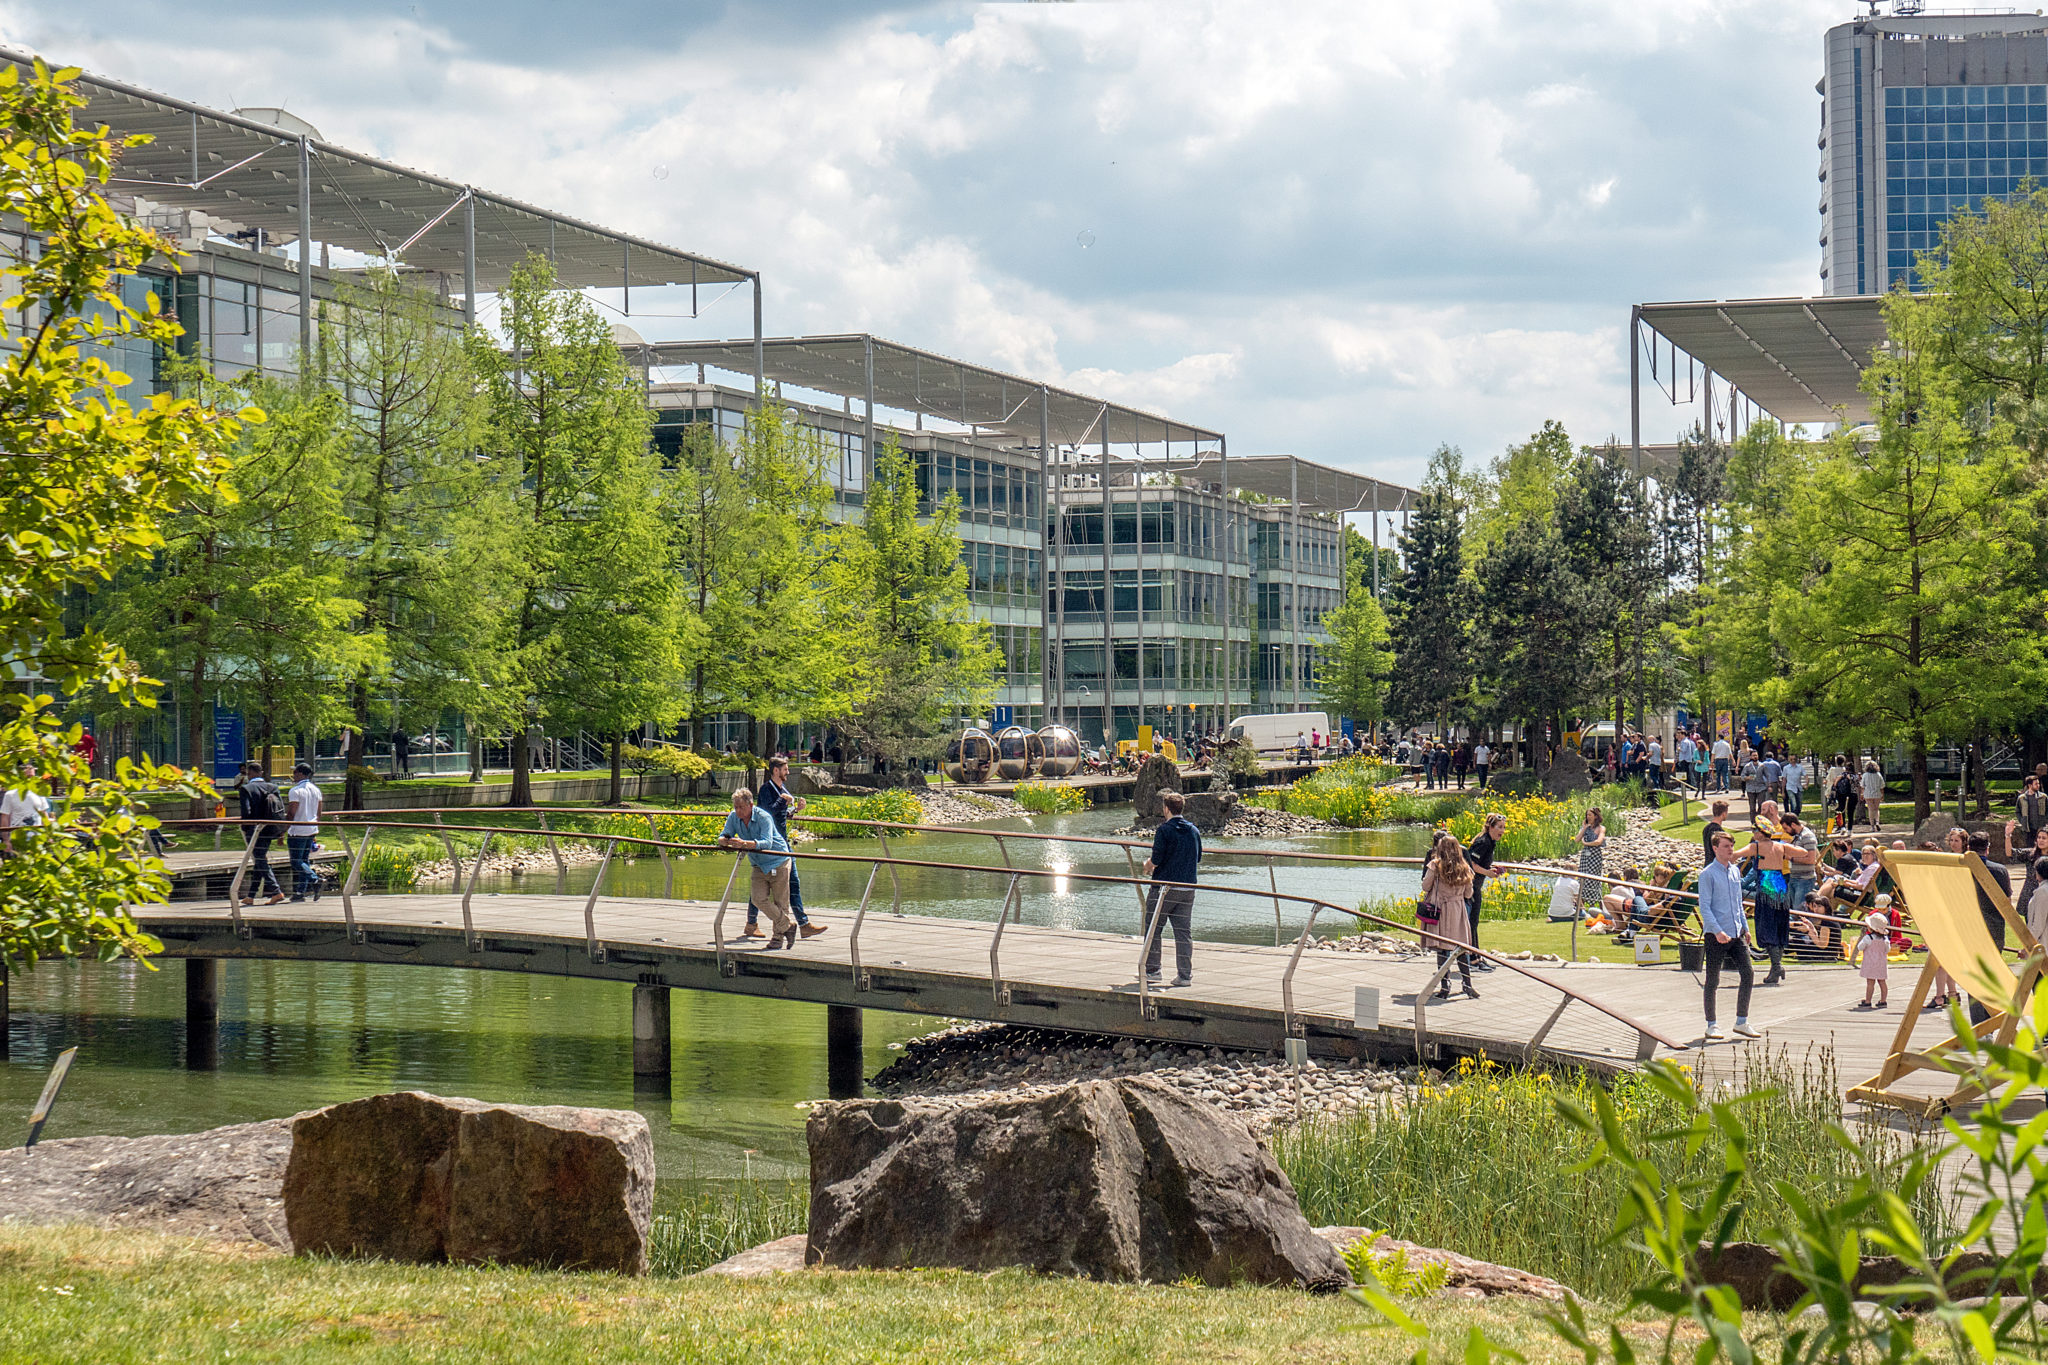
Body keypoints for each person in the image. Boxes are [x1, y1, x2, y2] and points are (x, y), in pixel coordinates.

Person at [747, 757, 826, 941]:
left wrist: (795, 809)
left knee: (788, 884)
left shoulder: (782, 790)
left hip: (783, 843)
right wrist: (783, 802)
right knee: (763, 887)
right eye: (785, 769)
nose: (788, 772)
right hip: (771, 845)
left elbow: (782, 816)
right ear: (775, 770)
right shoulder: (767, 790)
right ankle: (800, 924)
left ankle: (801, 924)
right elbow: (766, 815)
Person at [1698, 831, 1761, 1041]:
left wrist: (1745, 927)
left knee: (1748, 973)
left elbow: (1738, 904)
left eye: (1731, 846)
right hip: (1716, 934)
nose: (1730, 849)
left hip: (1736, 932)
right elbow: (1705, 907)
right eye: (1726, 846)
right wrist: (1717, 930)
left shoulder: (1735, 871)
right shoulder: (1707, 874)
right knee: (1712, 979)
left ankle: (1742, 1021)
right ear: (1715, 848)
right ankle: (1711, 1024)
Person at [720, 788, 796, 948]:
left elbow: (766, 842)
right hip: (758, 863)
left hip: (778, 860)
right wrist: (724, 840)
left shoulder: (763, 817)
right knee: (757, 898)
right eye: (736, 807)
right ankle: (788, 925)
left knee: (781, 901)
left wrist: (745, 844)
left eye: (741, 807)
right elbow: (725, 833)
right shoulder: (734, 817)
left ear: (751, 805)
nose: (738, 811)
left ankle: (777, 939)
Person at [1141, 790, 1203, 987]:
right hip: (1187, 887)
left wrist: (1147, 865)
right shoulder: (1194, 830)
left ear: (1166, 809)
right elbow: (1198, 857)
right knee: (1183, 933)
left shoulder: (1164, 830)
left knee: (1153, 928)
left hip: (1164, 889)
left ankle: (1153, 971)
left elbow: (1156, 860)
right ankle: (1185, 975)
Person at [1418, 831, 1478, 1000]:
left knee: (1442, 950)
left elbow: (1425, 886)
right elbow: (1468, 894)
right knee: (1460, 949)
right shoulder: (1465, 868)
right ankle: (1467, 985)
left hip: (1441, 910)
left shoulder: (1435, 865)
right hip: (1458, 910)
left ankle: (1445, 987)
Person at [1735, 822, 1793, 985]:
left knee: (1767, 928)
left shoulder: (1760, 850)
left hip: (1767, 892)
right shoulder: (1780, 846)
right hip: (1781, 889)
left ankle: (1776, 966)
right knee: (1779, 927)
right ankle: (1776, 968)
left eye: (1754, 831)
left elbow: (1751, 875)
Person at [235, 759, 287, 905]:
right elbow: (280, 809)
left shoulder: (246, 789)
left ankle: (276, 891)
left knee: (259, 859)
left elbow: (246, 812)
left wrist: (245, 828)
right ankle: (251, 896)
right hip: (271, 828)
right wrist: (281, 831)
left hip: (255, 830)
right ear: (261, 773)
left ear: (249, 773)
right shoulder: (273, 787)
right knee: (260, 858)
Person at [1463, 812, 1506, 971]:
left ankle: (1476, 957)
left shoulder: (1490, 841)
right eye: (1499, 827)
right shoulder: (1483, 842)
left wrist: (1491, 869)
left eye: (1504, 828)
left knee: (1474, 922)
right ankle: (1472, 960)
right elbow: (1471, 864)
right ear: (1490, 827)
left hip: (1476, 886)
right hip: (1470, 887)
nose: (1502, 831)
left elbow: (1479, 864)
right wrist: (1488, 873)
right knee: (1472, 922)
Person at [285, 761, 324, 903]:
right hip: (311, 829)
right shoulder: (316, 790)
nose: (293, 775)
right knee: (304, 861)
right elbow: (319, 813)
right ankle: (300, 892)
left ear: (300, 773)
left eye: (295, 772)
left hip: (297, 830)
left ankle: (315, 879)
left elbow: (291, 813)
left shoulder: (295, 791)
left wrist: (283, 828)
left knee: (296, 861)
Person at [0, 767, 50, 856]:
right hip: (17, 840)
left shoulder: (40, 793)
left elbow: (44, 815)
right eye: (28, 776)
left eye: (33, 776)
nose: (30, 779)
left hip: (37, 840)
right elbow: (5, 817)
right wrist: (6, 840)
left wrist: (49, 835)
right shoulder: (10, 795)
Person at [1854, 909, 1892, 1009]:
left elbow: (1860, 947)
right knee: (1882, 982)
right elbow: (1887, 950)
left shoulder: (1868, 938)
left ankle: (1868, 1000)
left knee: (1870, 983)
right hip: (1881, 963)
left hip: (1870, 963)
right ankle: (1883, 1000)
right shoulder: (1885, 940)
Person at [1576, 807, 1607, 910]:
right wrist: (1584, 828)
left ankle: (1594, 905)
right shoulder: (1586, 828)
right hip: (1585, 857)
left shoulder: (1601, 828)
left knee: (1593, 880)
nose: (1588, 817)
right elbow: (1577, 839)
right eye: (1587, 815)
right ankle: (1581, 905)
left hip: (1595, 856)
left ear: (1595, 816)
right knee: (1582, 879)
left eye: (1590, 815)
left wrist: (1586, 843)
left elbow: (1598, 841)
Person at [1859, 761, 1885, 833]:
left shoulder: (1865, 775)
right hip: (1877, 794)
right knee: (1876, 809)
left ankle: (1872, 826)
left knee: (1871, 809)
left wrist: (1861, 794)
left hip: (1868, 794)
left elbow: (1862, 786)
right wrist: (1882, 794)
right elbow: (1882, 786)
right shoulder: (1878, 775)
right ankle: (1877, 822)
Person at [1701, 801, 1730, 867]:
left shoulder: (1706, 828)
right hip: (1716, 865)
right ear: (1723, 814)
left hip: (1707, 864)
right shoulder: (1719, 831)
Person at [1782, 753, 1806, 817]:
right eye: (1791, 759)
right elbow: (1784, 779)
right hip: (1789, 787)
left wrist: (1806, 783)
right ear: (1789, 760)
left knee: (1799, 803)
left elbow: (1806, 776)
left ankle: (1797, 814)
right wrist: (1783, 791)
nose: (1793, 761)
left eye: (1794, 759)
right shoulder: (1786, 768)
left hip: (1798, 787)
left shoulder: (1800, 767)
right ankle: (1793, 816)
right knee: (1793, 801)